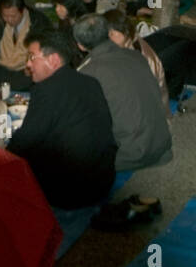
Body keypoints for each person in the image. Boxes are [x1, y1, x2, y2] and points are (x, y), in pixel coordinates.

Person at [7, 30, 116, 210]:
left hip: (69, 191)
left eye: (32, 57)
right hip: (104, 179)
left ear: (53, 60)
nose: (28, 64)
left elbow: (25, 141)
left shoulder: (47, 90)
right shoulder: (90, 82)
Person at [72, 14, 173, 173]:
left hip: (131, 154)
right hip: (161, 145)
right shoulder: (136, 56)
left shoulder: (90, 72)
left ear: (81, 46)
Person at [103, 8, 170, 116]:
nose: (108, 39)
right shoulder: (126, 43)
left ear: (123, 31)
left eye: (111, 34)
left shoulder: (141, 56)